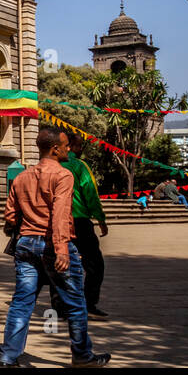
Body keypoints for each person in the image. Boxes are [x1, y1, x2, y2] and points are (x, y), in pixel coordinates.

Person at [0, 126, 109, 368]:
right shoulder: (63, 175)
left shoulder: (21, 177)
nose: (69, 148)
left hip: (25, 244)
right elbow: (59, 215)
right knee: (76, 303)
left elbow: (10, 216)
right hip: (52, 244)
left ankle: (8, 357)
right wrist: (61, 249)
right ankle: (82, 356)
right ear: (55, 149)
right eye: (66, 145)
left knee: (22, 301)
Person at [62, 132, 109, 317]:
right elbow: (90, 194)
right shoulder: (79, 166)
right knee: (94, 265)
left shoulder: (50, 167)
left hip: (56, 223)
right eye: (78, 145)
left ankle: (60, 307)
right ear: (69, 146)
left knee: (60, 264)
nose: (80, 149)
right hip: (79, 221)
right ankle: (89, 303)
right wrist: (101, 219)